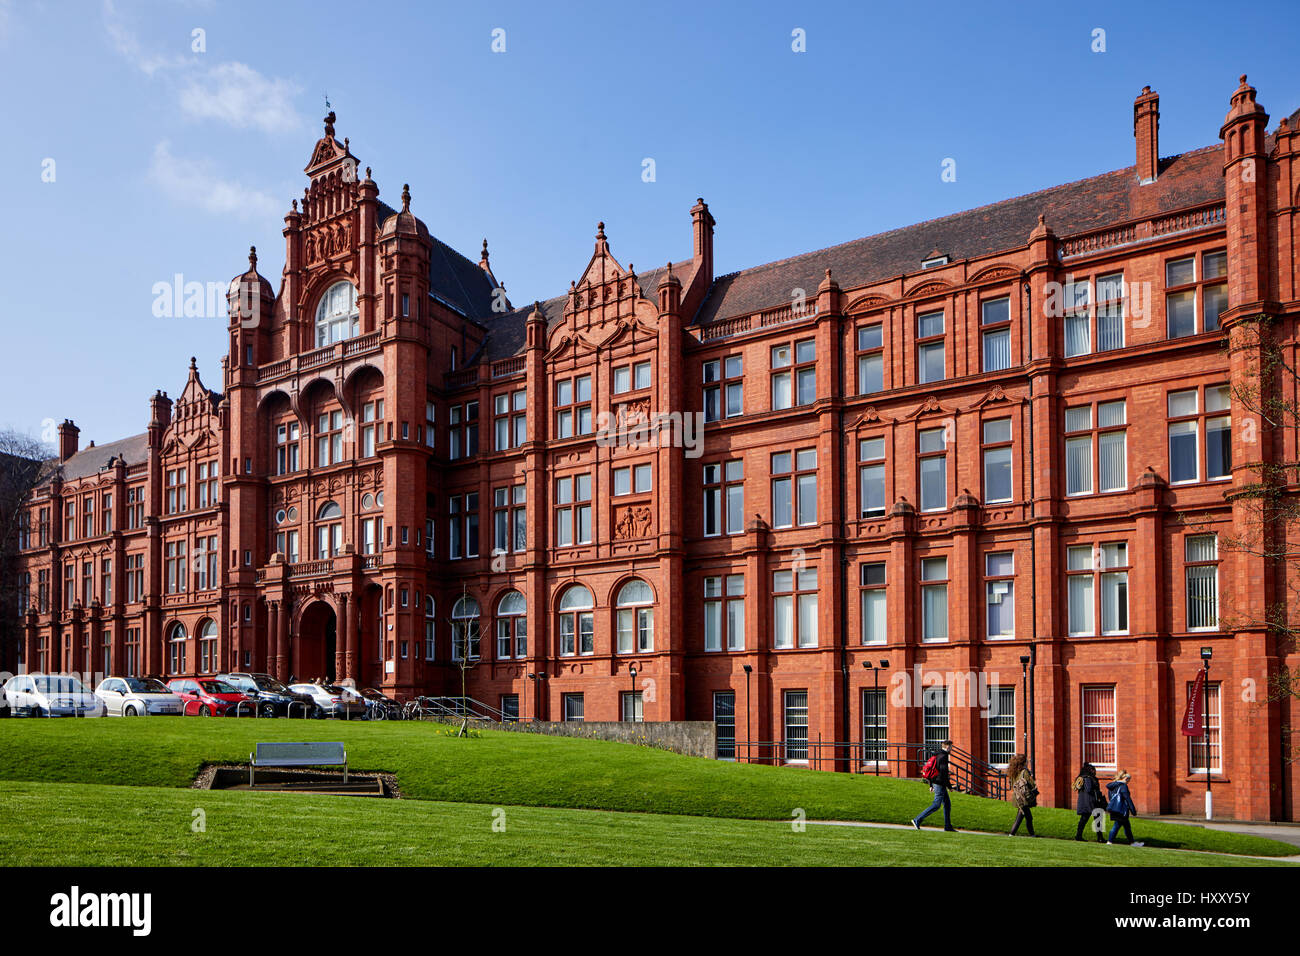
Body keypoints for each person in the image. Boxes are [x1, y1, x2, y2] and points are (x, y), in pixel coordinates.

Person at [911, 739, 958, 832]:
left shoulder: (937, 755)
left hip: (937, 782)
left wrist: (931, 784)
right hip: (940, 783)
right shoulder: (943, 756)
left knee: (947, 804)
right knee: (936, 804)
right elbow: (943, 772)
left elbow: (933, 770)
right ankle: (917, 819)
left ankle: (948, 826)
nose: (951, 749)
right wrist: (949, 786)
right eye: (951, 747)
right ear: (947, 747)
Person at [1105, 770, 1143, 846]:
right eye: (1129, 780)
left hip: (1114, 809)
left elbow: (1110, 798)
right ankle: (1109, 842)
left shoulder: (1112, 786)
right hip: (1121, 810)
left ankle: (1132, 842)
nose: (1129, 782)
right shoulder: (1123, 786)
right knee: (1117, 826)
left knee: (1127, 826)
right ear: (1125, 778)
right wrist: (1133, 810)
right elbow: (1128, 799)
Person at [1005, 754, 1038, 836]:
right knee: (1021, 818)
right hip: (1024, 798)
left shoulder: (1013, 772)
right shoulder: (1024, 772)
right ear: (1023, 763)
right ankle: (1012, 834)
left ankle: (1031, 834)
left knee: (1027, 817)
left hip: (1017, 797)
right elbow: (1031, 784)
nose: (1027, 763)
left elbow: (1011, 784)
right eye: (1026, 761)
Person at [1073, 762, 1106, 842]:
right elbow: (1089, 789)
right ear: (1091, 770)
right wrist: (1098, 794)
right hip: (1091, 802)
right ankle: (1099, 837)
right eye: (1094, 770)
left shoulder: (1082, 778)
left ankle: (1079, 836)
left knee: (1084, 819)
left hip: (1086, 802)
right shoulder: (1088, 778)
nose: (1095, 772)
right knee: (1096, 820)